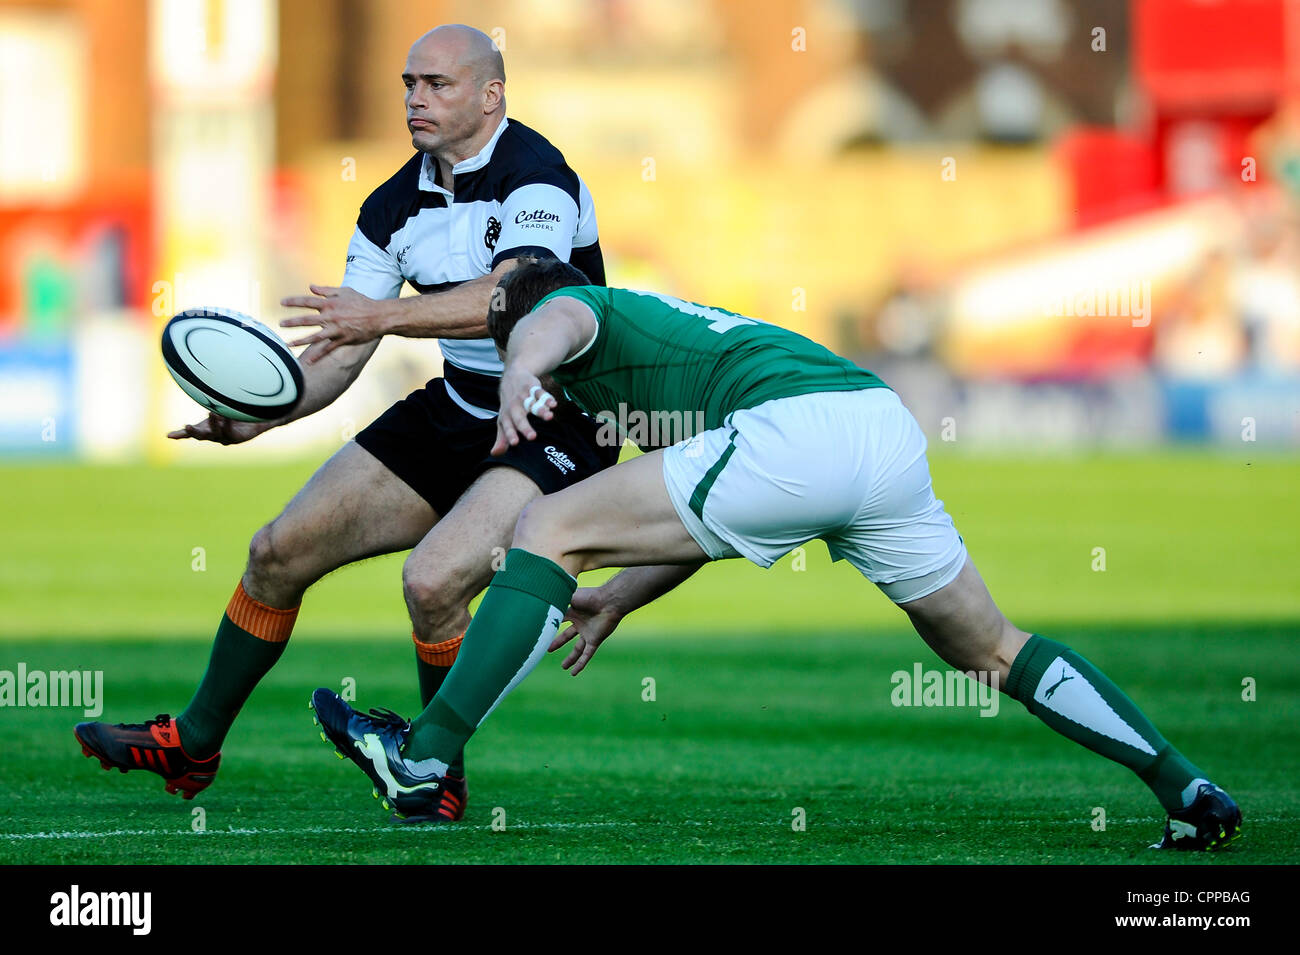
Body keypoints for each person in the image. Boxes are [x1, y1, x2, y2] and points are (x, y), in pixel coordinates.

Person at [312, 257, 1242, 851]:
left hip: (796, 436)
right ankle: (1184, 785)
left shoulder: (578, 312)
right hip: (877, 432)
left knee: (544, 528)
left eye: (497, 330)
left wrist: (519, 366)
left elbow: (557, 319)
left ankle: (425, 758)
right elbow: (715, 515)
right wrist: (620, 597)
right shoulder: (664, 358)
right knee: (992, 645)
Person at [74, 26, 617, 824]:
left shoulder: (537, 176)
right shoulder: (390, 204)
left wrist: (382, 316)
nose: (414, 100)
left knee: (433, 583)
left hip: (561, 418)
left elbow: (517, 295)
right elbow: (342, 349)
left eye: (436, 84)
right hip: (463, 403)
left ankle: (432, 773)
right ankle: (192, 741)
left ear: (491, 95)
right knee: (275, 551)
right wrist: (260, 416)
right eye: (408, 84)